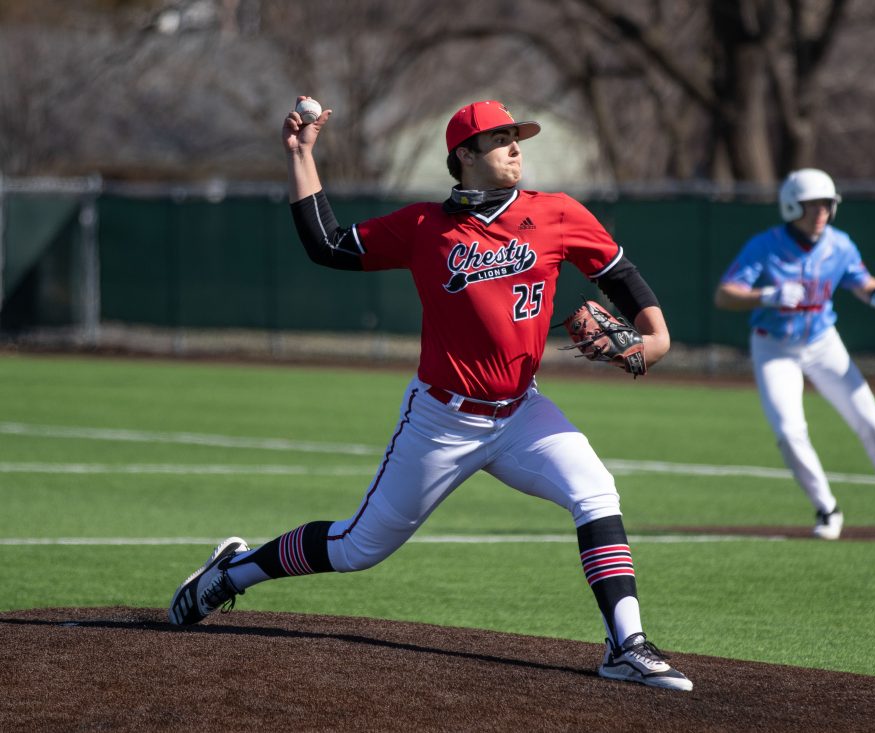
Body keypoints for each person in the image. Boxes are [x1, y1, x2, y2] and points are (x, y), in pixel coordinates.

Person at [167, 98, 692, 691]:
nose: (516, 148)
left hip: (522, 412)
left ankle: (626, 645)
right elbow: (329, 246)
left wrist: (657, 334)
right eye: (500, 139)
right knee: (357, 547)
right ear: (464, 155)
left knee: (596, 492)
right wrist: (302, 155)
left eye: (517, 137)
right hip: (443, 420)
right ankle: (234, 573)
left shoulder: (557, 213)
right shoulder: (424, 228)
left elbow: (617, 271)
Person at [714, 168, 875, 541]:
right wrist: (766, 295)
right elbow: (725, 295)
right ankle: (826, 508)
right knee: (788, 431)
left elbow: (866, 286)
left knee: (869, 417)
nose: (821, 212)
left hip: (821, 341)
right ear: (791, 206)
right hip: (773, 345)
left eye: (827, 205)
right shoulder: (765, 245)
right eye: (812, 205)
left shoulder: (840, 245)